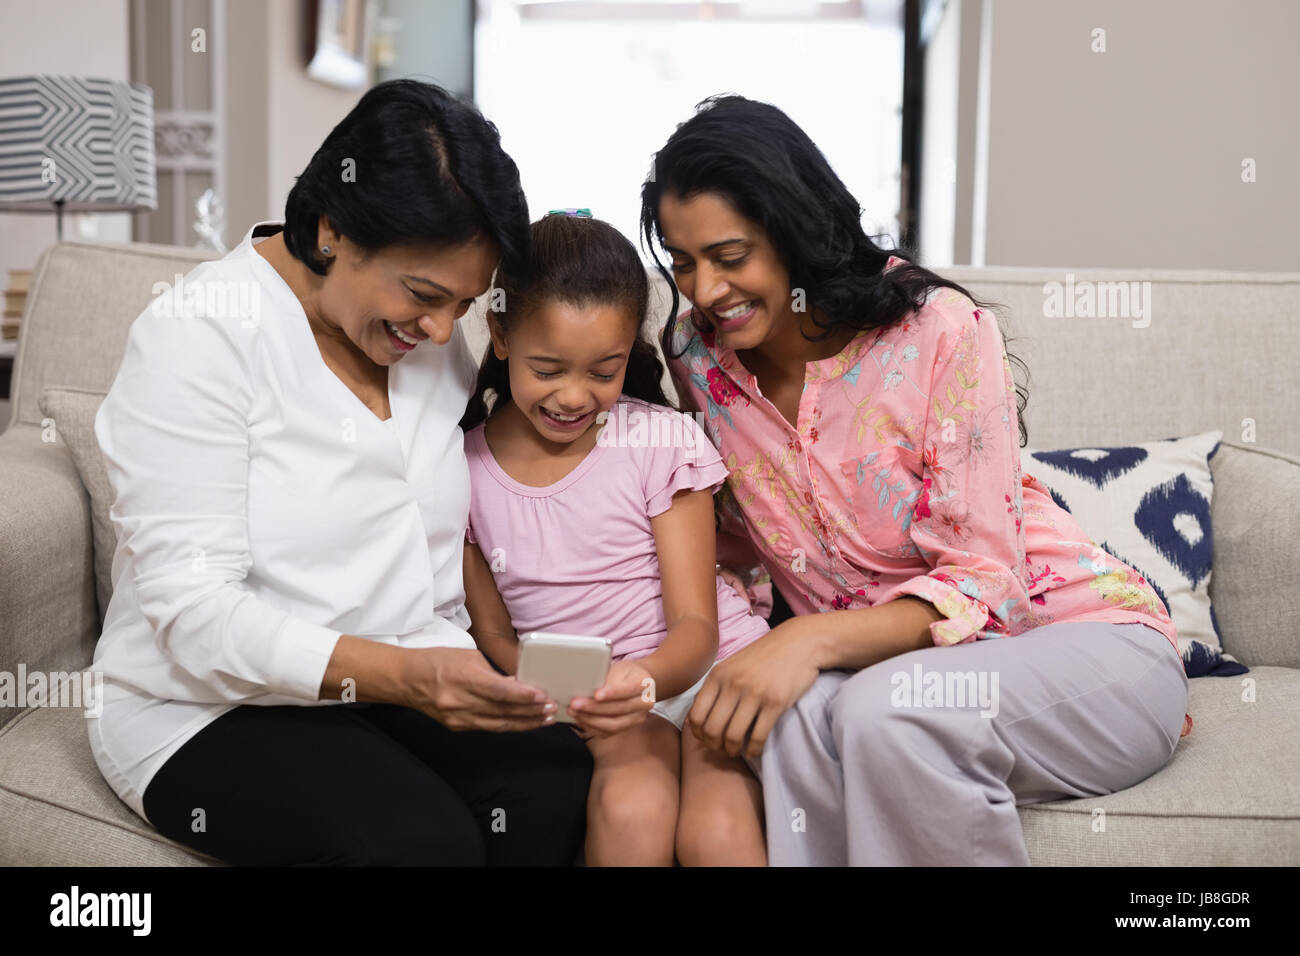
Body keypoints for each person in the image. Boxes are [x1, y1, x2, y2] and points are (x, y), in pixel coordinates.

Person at [640, 94, 1192, 866]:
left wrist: (808, 638)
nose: (703, 290)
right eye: (682, 260)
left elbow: (986, 580)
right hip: (886, 670)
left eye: (730, 257)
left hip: (1082, 643)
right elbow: (722, 530)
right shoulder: (699, 360)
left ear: (795, 231)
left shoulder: (935, 330)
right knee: (791, 716)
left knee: (889, 710)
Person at [87, 79, 592, 866]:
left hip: (402, 672)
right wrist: (407, 677)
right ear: (331, 229)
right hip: (210, 703)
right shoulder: (202, 336)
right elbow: (193, 617)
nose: (436, 329)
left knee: (554, 779)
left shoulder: (423, 346)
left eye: (461, 303)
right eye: (424, 294)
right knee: (419, 845)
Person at [458, 211, 769, 865]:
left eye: (604, 371)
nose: (574, 396)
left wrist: (646, 680)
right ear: (501, 335)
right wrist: (564, 691)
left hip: (708, 672)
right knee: (634, 808)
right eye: (549, 369)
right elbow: (493, 635)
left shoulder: (658, 441)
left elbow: (695, 627)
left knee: (716, 832)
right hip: (599, 701)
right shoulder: (461, 471)